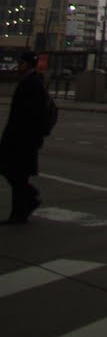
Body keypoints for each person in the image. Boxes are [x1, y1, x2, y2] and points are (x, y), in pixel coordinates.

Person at [0, 50, 49, 224]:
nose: (18, 66)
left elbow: (31, 115)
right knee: (15, 174)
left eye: (21, 63)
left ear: (27, 64)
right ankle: (25, 204)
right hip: (22, 138)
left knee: (15, 174)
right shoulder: (30, 82)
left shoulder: (32, 83)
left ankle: (22, 209)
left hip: (23, 139)